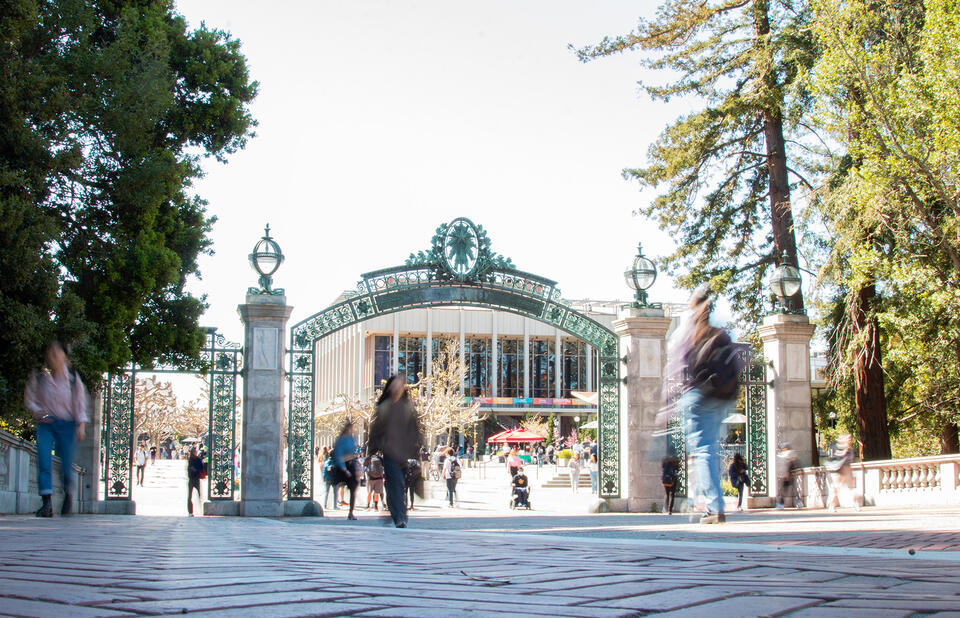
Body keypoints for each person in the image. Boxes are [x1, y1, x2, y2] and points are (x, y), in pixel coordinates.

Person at [669, 285, 743, 524]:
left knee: (702, 451)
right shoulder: (719, 328)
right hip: (722, 395)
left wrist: (665, 404)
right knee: (711, 449)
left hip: (697, 395)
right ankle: (715, 502)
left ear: (693, 304)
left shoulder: (687, 331)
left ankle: (714, 506)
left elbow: (674, 367)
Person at [24, 340, 89, 517]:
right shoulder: (40, 377)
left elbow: (80, 406)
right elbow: (30, 399)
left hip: (67, 425)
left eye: (56, 353)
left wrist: (81, 426)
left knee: (66, 465)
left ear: (64, 356)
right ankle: (47, 503)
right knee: (43, 460)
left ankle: (68, 493)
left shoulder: (74, 380)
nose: (52, 357)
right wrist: (38, 411)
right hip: (46, 424)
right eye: (50, 353)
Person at [368, 375, 422, 528]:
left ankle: (397, 513)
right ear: (390, 387)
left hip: (404, 455)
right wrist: (371, 451)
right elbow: (375, 431)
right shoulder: (384, 407)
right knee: (396, 484)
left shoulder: (407, 408)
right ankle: (400, 517)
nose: (399, 387)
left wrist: (417, 451)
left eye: (401, 385)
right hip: (390, 452)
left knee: (400, 486)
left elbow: (415, 430)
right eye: (396, 385)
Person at [332, 421, 360, 520]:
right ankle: (334, 504)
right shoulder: (341, 440)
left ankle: (351, 512)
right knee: (336, 485)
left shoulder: (351, 438)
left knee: (353, 488)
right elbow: (338, 454)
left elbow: (355, 450)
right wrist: (344, 469)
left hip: (351, 464)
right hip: (342, 466)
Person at [826, 433, 861, 512]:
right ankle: (832, 506)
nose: (850, 440)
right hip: (838, 471)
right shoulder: (838, 447)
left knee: (852, 488)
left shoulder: (850, 449)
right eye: (848, 438)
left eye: (851, 438)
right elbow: (835, 457)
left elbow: (851, 460)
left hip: (847, 470)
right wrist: (844, 452)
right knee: (835, 490)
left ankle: (856, 505)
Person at [775, 442, 799, 509]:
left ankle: (797, 502)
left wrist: (788, 473)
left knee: (787, 490)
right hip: (784, 475)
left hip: (786, 474)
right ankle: (797, 502)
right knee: (786, 490)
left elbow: (790, 464)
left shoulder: (788, 454)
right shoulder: (784, 454)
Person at [186, 446, 205, 516]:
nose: (195, 453)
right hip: (191, 479)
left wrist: (195, 469)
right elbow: (189, 469)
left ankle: (201, 510)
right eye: (194, 452)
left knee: (200, 495)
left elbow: (201, 467)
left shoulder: (198, 460)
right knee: (189, 496)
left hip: (196, 479)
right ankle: (190, 512)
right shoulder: (190, 460)